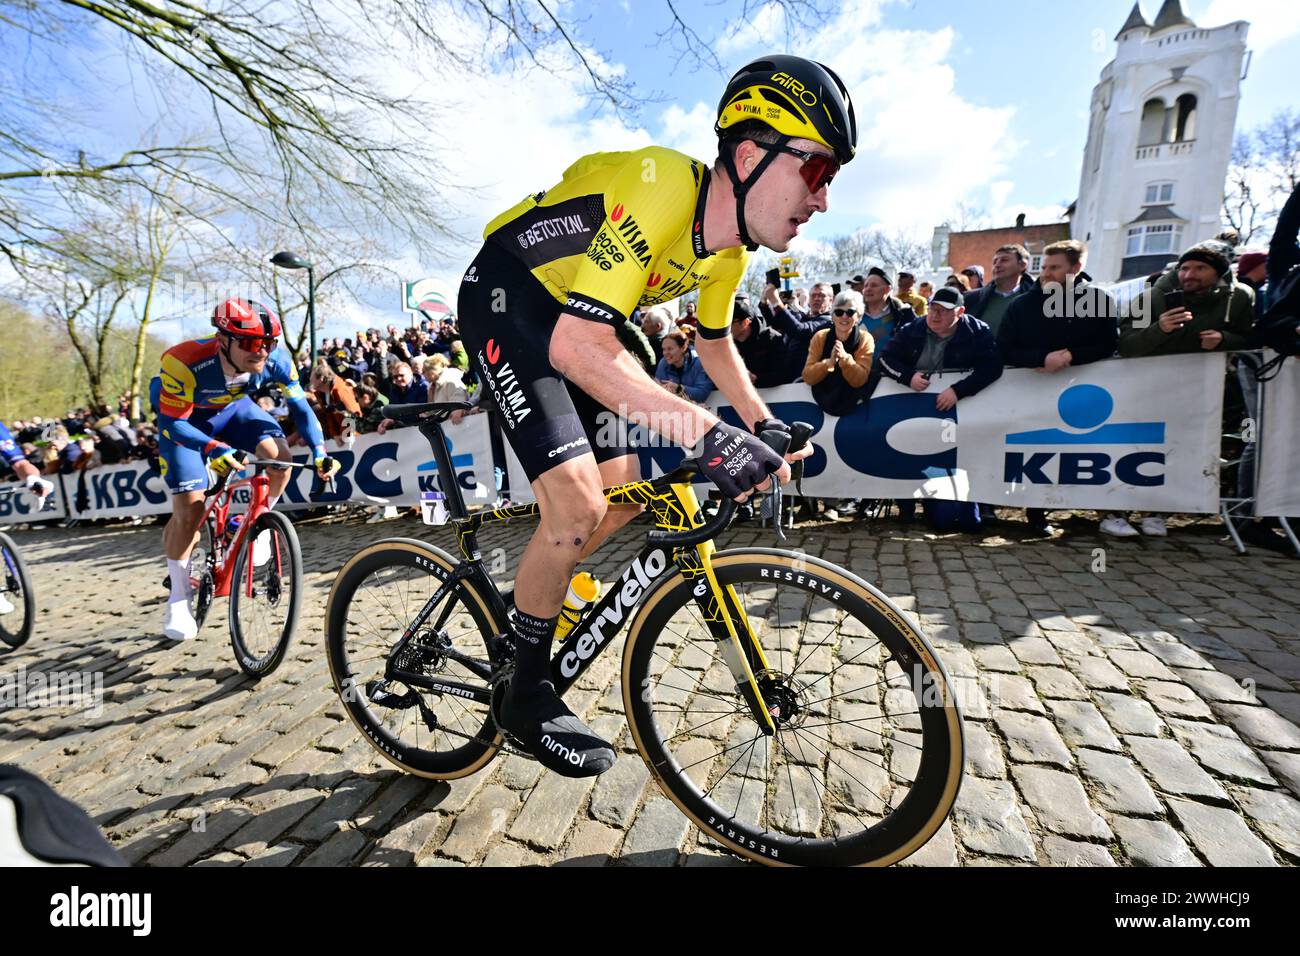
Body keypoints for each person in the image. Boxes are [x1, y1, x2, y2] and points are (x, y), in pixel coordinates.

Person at [455, 54, 852, 777]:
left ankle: (531, 602)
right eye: (819, 171)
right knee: (576, 503)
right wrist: (711, 436)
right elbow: (579, 346)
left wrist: (760, 423)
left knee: (623, 487)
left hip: (574, 319)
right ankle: (525, 688)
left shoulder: (728, 256)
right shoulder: (665, 184)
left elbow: (716, 345)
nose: (822, 200)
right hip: (509, 297)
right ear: (750, 154)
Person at [151, 300, 339, 641]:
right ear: (223, 339)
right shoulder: (184, 361)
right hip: (185, 423)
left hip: (234, 411)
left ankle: (260, 520)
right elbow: (173, 425)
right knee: (190, 512)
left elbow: (301, 409)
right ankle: (178, 598)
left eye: (269, 343)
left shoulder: (277, 361)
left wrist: (320, 451)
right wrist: (214, 449)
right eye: (252, 343)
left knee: (279, 456)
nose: (262, 352)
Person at [998, 239, 1118, 534]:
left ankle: (1091, 508)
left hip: (1087, 394)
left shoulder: (1099, 302)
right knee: (1038, 450)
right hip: (1034, 393)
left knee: (1080, 450)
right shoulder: (1021, 306)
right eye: (1045, 267)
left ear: (1076, 268)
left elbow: (1109, 344)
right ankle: (1036, 512)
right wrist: (1041, 358)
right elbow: (1003, 350)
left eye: (1055, 267)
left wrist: (1072, 356)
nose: (1047, 273)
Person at [803, 289, 874, 415]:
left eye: (850, 312)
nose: (844, 316)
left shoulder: (865, 339)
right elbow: (808, 376)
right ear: (833, 316)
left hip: (855, 405)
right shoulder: (820, 337)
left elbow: (860, 380)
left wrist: (845, 358)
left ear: (858, 317)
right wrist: (828, 363)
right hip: (820, 403)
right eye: (839, 312)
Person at [962, 245, 1034, 335]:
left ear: (1022, 265)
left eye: (1004, 260)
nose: (997, 265)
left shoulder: (1036, 299)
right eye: (995, 261)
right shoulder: (971, 298)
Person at [655, 328, 717, 402]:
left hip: (697, 410)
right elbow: (657, 391)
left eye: (670, 349)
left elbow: (701, 394)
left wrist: (679, 389)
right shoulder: (663, 363)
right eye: (664, 349)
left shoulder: (700, 363)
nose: (665, 353)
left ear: (683, 348)